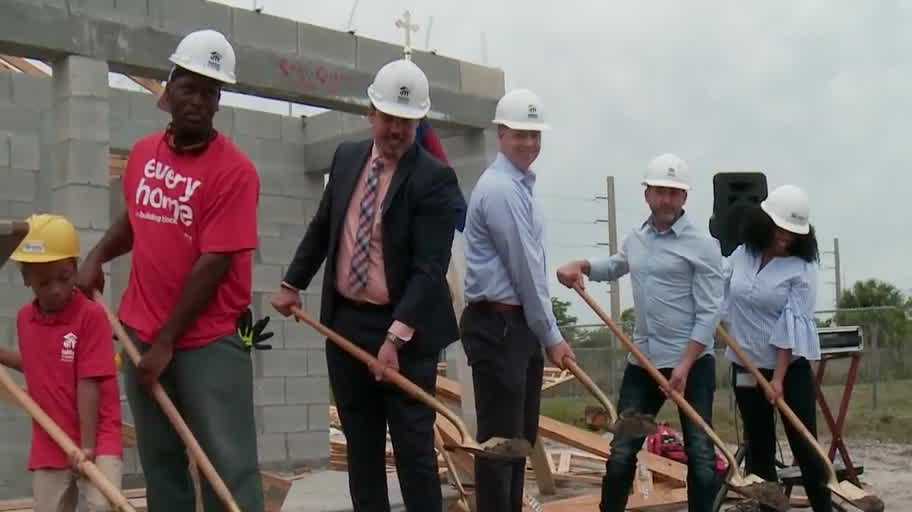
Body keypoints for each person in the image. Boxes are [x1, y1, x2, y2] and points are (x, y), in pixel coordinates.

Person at [75, 29, 264, 511]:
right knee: (161, 464)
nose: (198, 101)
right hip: (140, 330)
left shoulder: (235, 172)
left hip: (209, 341)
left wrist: (165, 342)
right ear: (168, 89)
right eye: (189, 88)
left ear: (218, 101)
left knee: (227, 465)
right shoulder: (142, 154)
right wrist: (96, 257)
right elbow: (135, 219)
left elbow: (215, 263)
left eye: (209, 92)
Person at [269, 57, 464, 512]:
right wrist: (292, 282)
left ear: (419, 122)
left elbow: (429, 269)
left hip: (407, 334)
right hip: (346, 324)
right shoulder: (346, 158)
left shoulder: (434, 180)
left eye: (407, 122)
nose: (396, 130)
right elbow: (324, 227)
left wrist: (396, 338)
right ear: (371, 114)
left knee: (414, 452)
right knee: (363, 449)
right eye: (389, 119)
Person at [556, 154, 724, 512]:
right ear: (647, 194)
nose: (666, 199)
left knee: (700, 454)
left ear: (684, 198)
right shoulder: (638, 238)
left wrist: (684, 364)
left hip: (691, 364)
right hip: (643, 361)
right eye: (659, 191)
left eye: (674, 193)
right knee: (621, 452)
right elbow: (617, 265)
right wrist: (582, 266)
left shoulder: (703, 245)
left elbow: (710, 312)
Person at [461, 88, 576, 512]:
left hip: (518, 326)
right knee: (500, 446)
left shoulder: (522, 189)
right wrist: (552, 335)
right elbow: (525, 270)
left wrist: (540, 330)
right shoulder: (501, 190)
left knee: (519, 443)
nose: (529, 143)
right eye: (520, 135)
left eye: (535, 135)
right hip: (498, 326)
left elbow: (534, 271)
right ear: (500, 134)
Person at [0, 214, 123, 512]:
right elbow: (40, 365)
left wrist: (88, 446)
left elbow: (88, 381)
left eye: (64, 277)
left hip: (97, 433)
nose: (55, 288)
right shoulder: (25, 320)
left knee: (102, 506)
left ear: (75, 267)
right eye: (44, 282)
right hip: (50, 435)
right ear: (26, 278)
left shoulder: (91, 316)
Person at [722, 184, 831, 511]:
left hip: (788, 370)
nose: (785, 237)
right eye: (780, 229)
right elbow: (721, 290)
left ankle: (822, 505)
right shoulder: (743, 254)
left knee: (805, 446)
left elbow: (792, 325)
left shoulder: (803, 270)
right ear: (764, 221)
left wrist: (779, 378)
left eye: (793, 233)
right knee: (759, 449)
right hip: (745, 364)